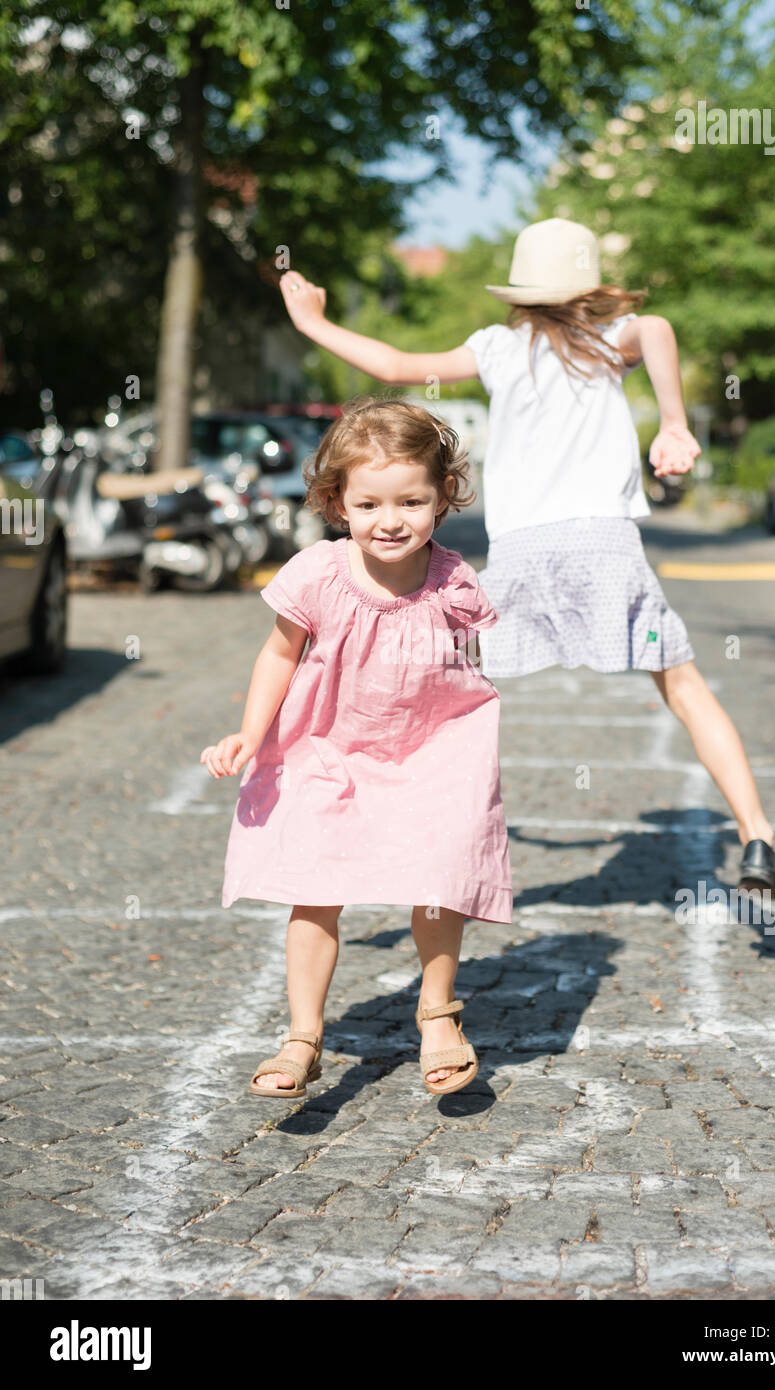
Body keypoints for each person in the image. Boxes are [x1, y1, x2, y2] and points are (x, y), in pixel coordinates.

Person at [275, 219, 775, 895]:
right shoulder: (607, 341)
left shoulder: (495, 347)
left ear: (519, 290)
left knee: (443, 688)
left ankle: (383, 823)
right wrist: (674, 422)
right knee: (683, 688)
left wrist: (313, 324)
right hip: (604, 545)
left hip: (523, 553)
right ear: (590, 286)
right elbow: (655, 326)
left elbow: (395, 367)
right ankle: (755, 834)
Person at [201, 399, 512, 1100]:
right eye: (368, 503)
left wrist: (461, 744)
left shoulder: (455, 581)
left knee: (442, 873)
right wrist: (251, 733)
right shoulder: (317, 572)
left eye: (411, 500)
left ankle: (437, 1014)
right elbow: (278, 656)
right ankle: (303, 1036)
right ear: (337, 502)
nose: (390, 519)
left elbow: (468, 660)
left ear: (443, 497)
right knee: (314, 888)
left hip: (434, 746)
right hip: (327, 746)